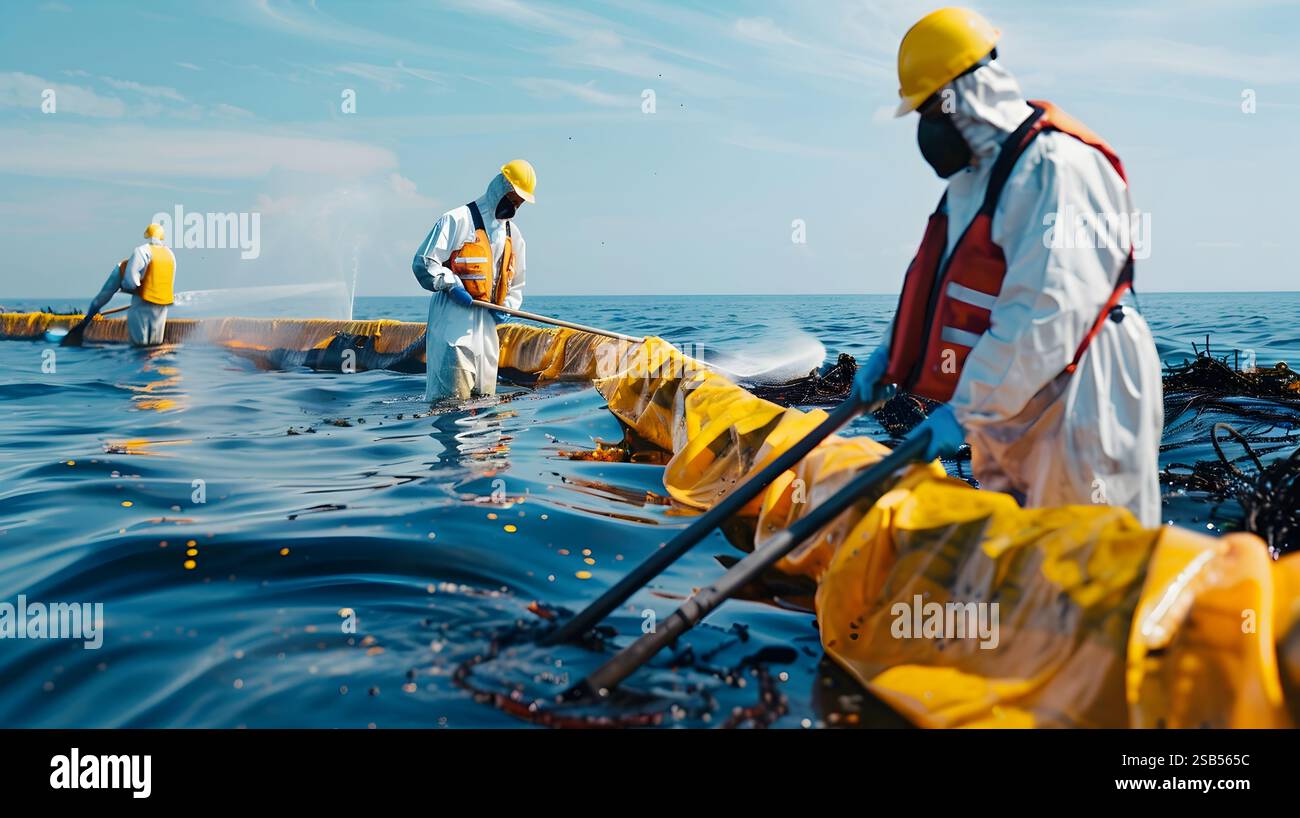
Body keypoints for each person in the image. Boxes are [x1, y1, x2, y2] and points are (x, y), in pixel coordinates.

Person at [853, 7, 1163, 526]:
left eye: (930, 110)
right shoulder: (972, 181)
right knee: (1014, 553)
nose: (926, 129)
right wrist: (888, 359)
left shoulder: (1053, 167)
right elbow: (938, 291)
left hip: (1080, 389)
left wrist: (966, 409)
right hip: (1009, 402)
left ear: (964, 93)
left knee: (1088, 553)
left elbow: (1045, 311)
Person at [412, 160, 535, 401]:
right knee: (452, 404)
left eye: (520, 202)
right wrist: (450, 283)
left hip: (487, 330)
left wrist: (507, 308)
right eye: (513, 197)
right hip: (453, 324)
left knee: (485, 405)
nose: (515, 205)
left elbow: (517, 282)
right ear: (501, 187)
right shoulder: (457, 220)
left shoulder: (513, 235)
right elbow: (424, 262)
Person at [77, 222, 176, 346]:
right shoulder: (147, 252)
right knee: (103, 298)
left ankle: (150, 350)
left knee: (153, 331)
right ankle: (87, 320)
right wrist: (131, 288)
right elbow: (130, 278)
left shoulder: (168, 255)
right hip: (121, 274)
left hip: (155, 298)